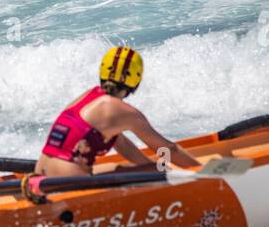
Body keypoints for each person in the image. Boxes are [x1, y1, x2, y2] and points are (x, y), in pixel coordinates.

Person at [35, 45, 199, 178]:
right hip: (69, 181)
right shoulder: (123, 111)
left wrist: (149, 166)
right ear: (135, 81)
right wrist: (200, 171)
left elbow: (122, 144)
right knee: (158, 169)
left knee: (130, 168)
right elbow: (166, 150)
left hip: (41, 175)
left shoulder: (86, 97)